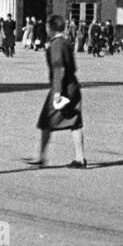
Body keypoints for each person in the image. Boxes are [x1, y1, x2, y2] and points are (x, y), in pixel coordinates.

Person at [29, 14, 86, 169]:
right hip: (73, 85)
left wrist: (57, 92)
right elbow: (72, 67)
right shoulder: (66, 42)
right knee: (75, 122)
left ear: (51, 28)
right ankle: (80, 158)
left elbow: (58, 68)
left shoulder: (56, 44)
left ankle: (41, 157)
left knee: (46, 121)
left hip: (61, 88)